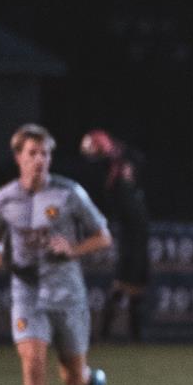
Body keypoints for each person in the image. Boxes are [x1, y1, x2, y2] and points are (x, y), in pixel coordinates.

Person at [0, 124, 113, 385]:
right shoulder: (3, 199)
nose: (40, 160)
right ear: (18, 158)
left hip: (66, 293)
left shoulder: (70, 194)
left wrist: (72, 249)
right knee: (32, 360)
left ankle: (94, 383)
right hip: (26, 294)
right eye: (32, 153)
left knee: (72, 377)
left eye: (45, 153)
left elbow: (103, 237)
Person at [81, 129, 153, 341]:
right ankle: (104, 330)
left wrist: (115, 147)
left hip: (140, 232)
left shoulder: (128, 171)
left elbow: (136, 158)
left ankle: (135, 333)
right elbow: (110, 167)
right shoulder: (109, 177)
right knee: (122, 281)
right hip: (129, 233)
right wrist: (107, 151)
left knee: (138, 282)